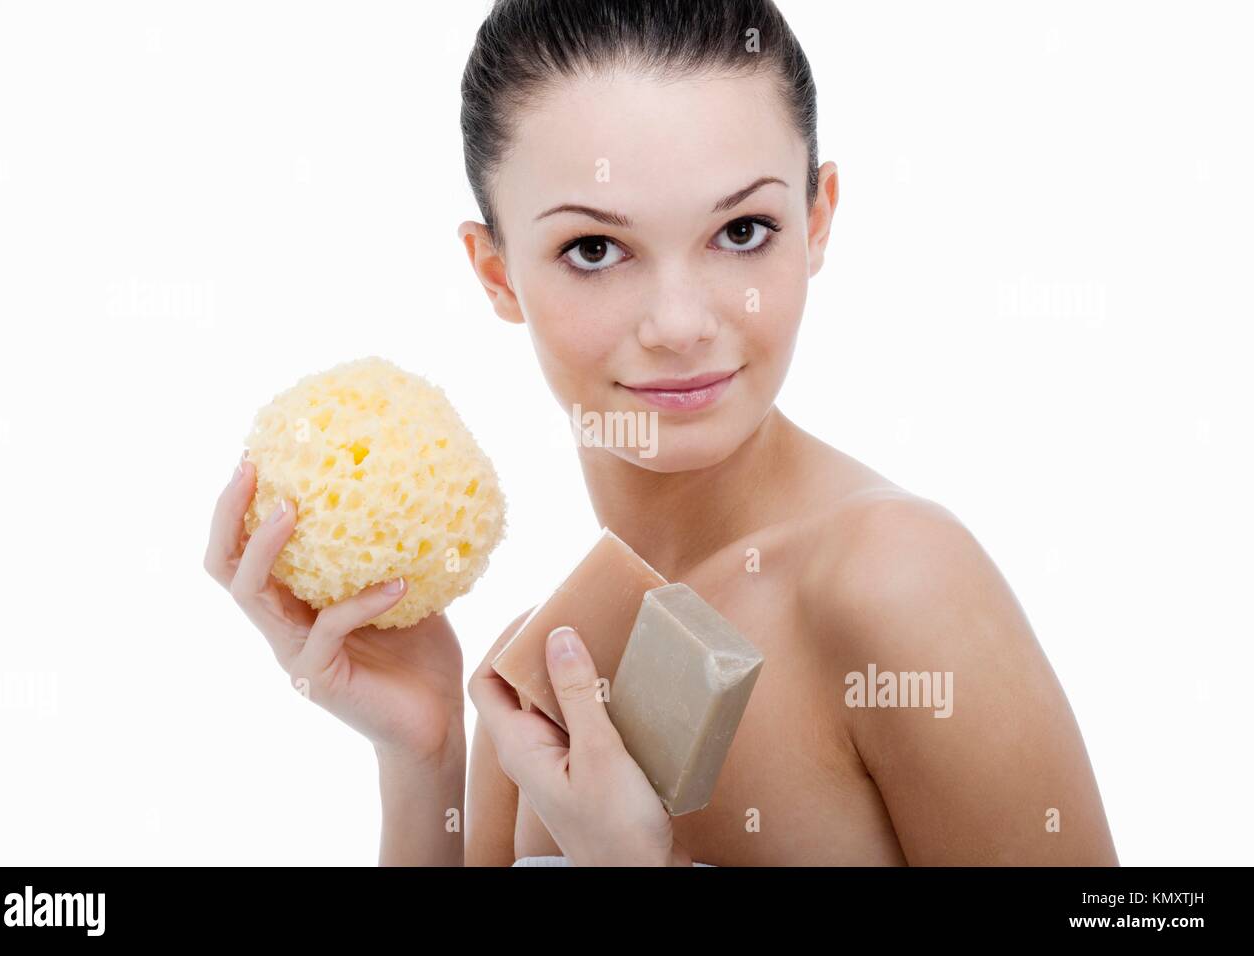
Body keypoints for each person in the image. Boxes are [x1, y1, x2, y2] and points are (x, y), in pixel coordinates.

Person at [204, 0, 1118, 866]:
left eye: (744, 230)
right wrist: (424, 757)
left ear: (819, 218)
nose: (680, 324)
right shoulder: (525, 685)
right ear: (496, 274)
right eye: (594, 250)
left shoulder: (893, 581)